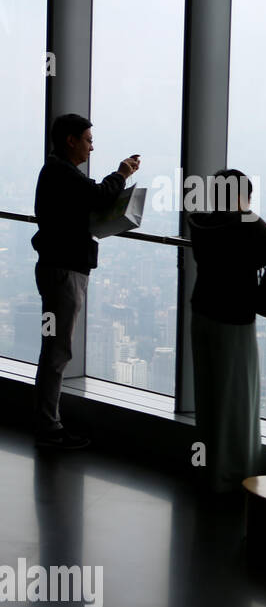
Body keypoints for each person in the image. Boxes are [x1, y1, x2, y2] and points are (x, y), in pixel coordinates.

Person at [188, 169, 266, 496]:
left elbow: (231, 250)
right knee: (236, 397)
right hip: (233, 318)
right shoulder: (246, 222)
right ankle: (232, 475)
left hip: (202, 312)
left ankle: (208, 470)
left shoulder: (199, 218)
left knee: (209, 394)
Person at [32, 113, 141, 450]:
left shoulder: (57, 172)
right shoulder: (62, 173)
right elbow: (98, 195)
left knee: (55, 349)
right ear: (71, 141)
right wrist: (122, 173)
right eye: (89, 140)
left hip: (57, 268)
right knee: (57, 351)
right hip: (64, 271)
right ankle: (49, 427)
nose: (92, 147)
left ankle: (48, 422)